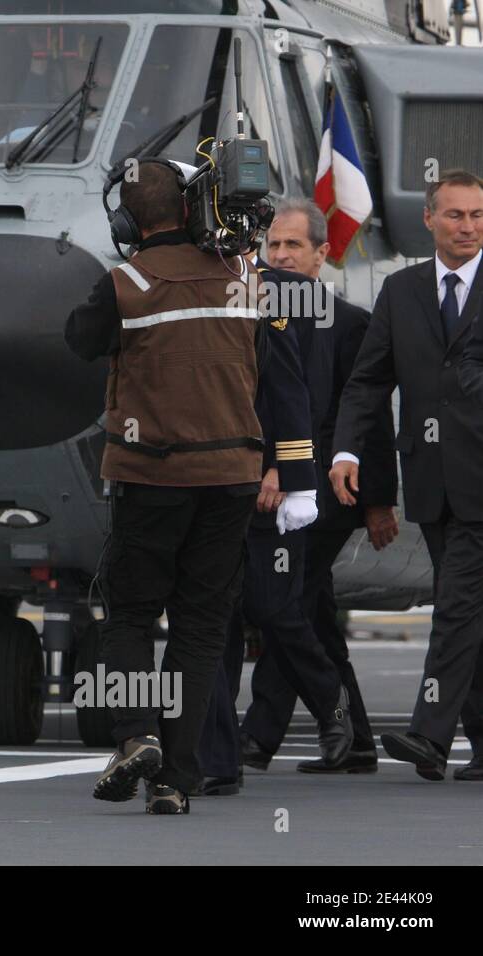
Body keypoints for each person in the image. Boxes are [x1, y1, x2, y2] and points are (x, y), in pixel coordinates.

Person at [65, 161, 310, 814]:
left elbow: (77, 340)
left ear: (129, 221)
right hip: (230, 479)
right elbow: (283, 381)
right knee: (200, 628)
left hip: (150, 477)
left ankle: (134, 734)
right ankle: (177, 779)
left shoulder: (126, 283)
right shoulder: (246, 281)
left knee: (129, 616)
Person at [332, 169, 483, 782]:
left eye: (477, 215)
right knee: (468, 611)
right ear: (429, 219)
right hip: (431, 480)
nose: (468, 226)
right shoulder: (401, 291)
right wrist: (346, 454)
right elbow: (369, 380)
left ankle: (430, 736)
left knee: (456, 606)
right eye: (456, 215)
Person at [242, 201, 399, 775]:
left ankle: (257, 738)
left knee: (285, 603)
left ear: (321, 255)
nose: (279, 256)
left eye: (292, 247)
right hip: (267, 492)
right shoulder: (250, 313)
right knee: (309, 611)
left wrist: (380, 500)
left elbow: (370, 419)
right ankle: (354, 739)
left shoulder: (351, 323)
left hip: (328, 495)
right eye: (273, 246)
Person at [197, 245, 346, 797]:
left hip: (265, 482)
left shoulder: (277, 297)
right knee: (212, 620)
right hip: (204, 483)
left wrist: (286, 469)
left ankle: (333, 705)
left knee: (274, 607)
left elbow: (295, 393)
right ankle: (217, 756)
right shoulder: (182, 284)